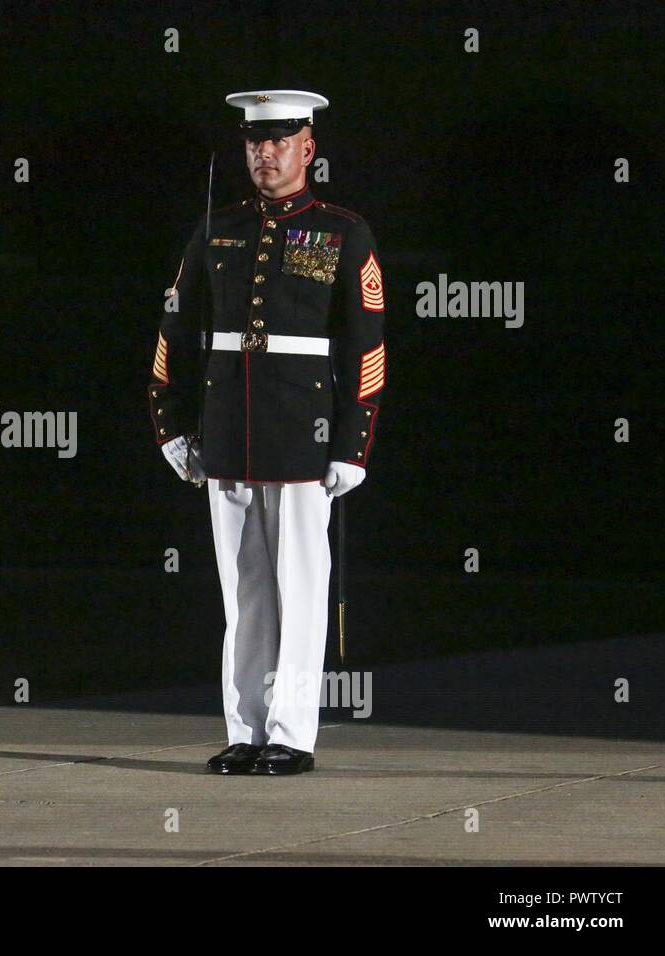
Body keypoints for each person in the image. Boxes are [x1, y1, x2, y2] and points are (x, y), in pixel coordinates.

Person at [149, 90, 386, 775]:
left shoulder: (342, 231)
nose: (266, 153)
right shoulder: (216, 228)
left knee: (302, 591)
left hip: (302, 435)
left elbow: (366, 345)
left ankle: (290, 733)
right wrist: (170, 422)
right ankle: (245, 728)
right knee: (244, 593)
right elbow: (176, 327)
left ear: (308, 149)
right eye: (256, 142)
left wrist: (352, 442)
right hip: (227, 433)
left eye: (280, 141)